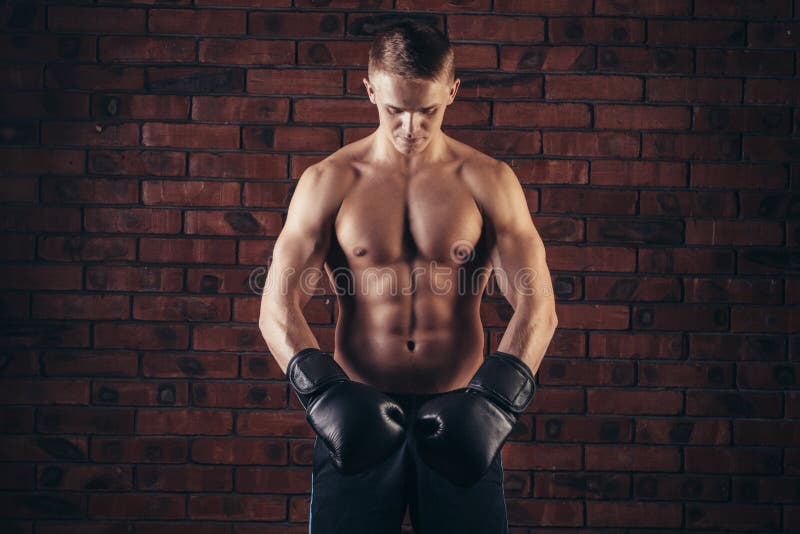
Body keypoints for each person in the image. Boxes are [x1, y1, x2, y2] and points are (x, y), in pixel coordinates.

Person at [259, 20, 558, 534]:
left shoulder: (488, 181)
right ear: (369, 88)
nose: (411, 128)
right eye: (395, 109)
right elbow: (275, 309)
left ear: (453, 92)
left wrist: (495, 404)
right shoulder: (328, 182)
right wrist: (323, 396)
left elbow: (539, 307)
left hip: (463, 417)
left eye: (429, 110)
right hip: (355, 416)